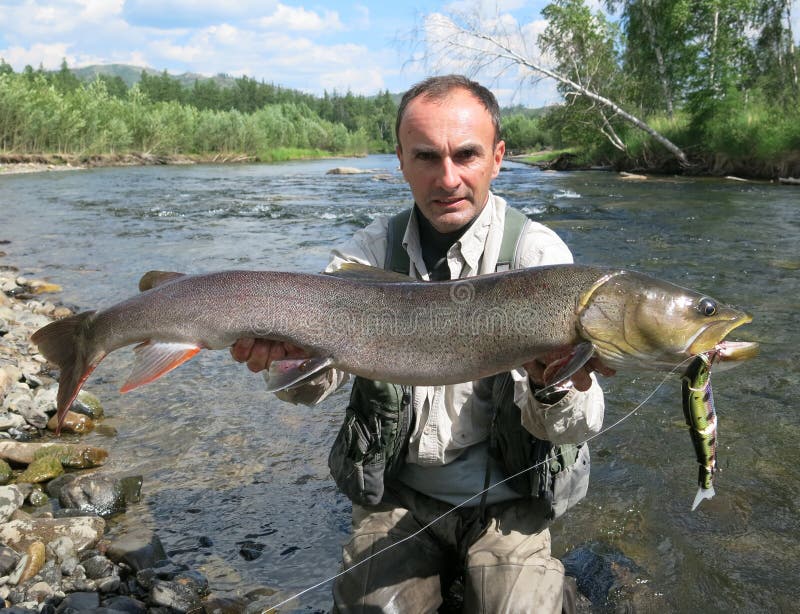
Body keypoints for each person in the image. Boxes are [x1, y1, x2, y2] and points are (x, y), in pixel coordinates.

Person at [232, 75, 613, 613]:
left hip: (509, 503)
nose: (448, 178)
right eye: (427, 157)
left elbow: (579, 426)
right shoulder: (366, 256)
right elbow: (306, 391)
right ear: (401, 161)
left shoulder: (541, 258)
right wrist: (285, 363)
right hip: (401, 500)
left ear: (498, 158)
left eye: (467, 155)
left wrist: (552, 386)